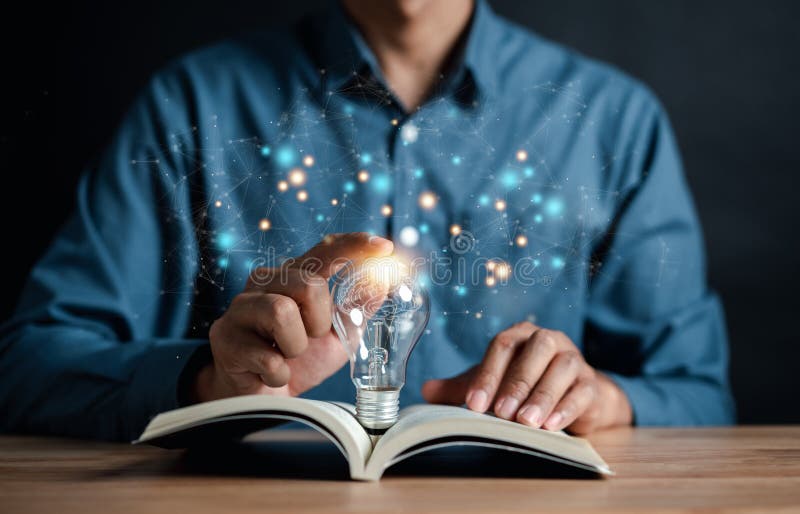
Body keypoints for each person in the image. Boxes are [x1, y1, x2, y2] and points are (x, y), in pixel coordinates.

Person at [0, 0, 734, 442]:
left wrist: (600, 400)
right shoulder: (195, 106)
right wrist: (205, 382)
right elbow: (28, 364)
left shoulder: (612, 122)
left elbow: (701, 397)